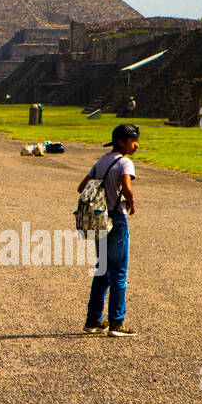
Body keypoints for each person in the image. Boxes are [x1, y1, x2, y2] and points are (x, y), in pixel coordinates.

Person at [78, 124, 139, 336]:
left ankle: (93, 320)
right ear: (121, 142)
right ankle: (116, 323)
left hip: (99, 221)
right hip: (117, 220)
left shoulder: (101, 161)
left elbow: (82, 188)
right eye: (133, 141)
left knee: (102, 270)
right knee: (119, 273)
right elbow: (127, 186)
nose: (136, 144)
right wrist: (130, 201)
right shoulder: (125, 162)